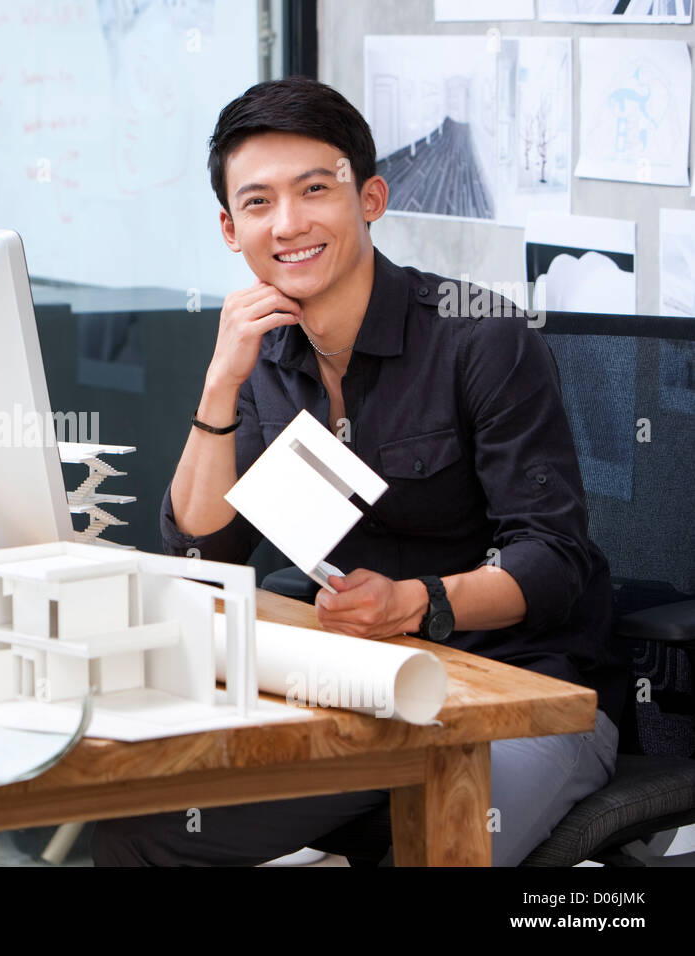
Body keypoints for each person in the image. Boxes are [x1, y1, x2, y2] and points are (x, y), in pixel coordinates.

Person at [89, 76, 629, 867]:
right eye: (259, 202)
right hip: (354, 690)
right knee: (146, 832)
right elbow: (203, 560)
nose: (291, 223)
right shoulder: (266, 356)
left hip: (520, 693)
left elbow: (555, 560)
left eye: (316, 190)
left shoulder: (481, 341)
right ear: (230, 229)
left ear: (369, 198)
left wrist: (421, 601)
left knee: (436, 851)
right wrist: (218, 386)